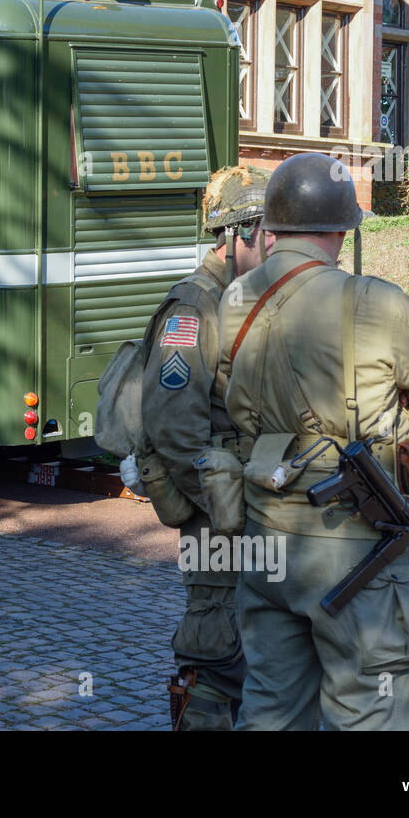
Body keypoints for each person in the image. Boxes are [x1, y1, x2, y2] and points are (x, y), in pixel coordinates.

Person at [217, 152, 409, 730]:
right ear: (343, 230)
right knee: (377, 712)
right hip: (356, 547)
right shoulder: (376, 302)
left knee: (271, 710)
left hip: (267, 538)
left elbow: (230, 395)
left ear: (272, 229)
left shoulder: (235, 300)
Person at [119, 164, 272, 731]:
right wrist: (224, 504)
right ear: (238, 233)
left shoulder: (246, 296)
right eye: (269, 232)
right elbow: (173, 428)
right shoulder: (194, 308)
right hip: (217, 518)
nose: (277, 246)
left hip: (252, 505)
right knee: (215, 650)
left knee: (260, 650)